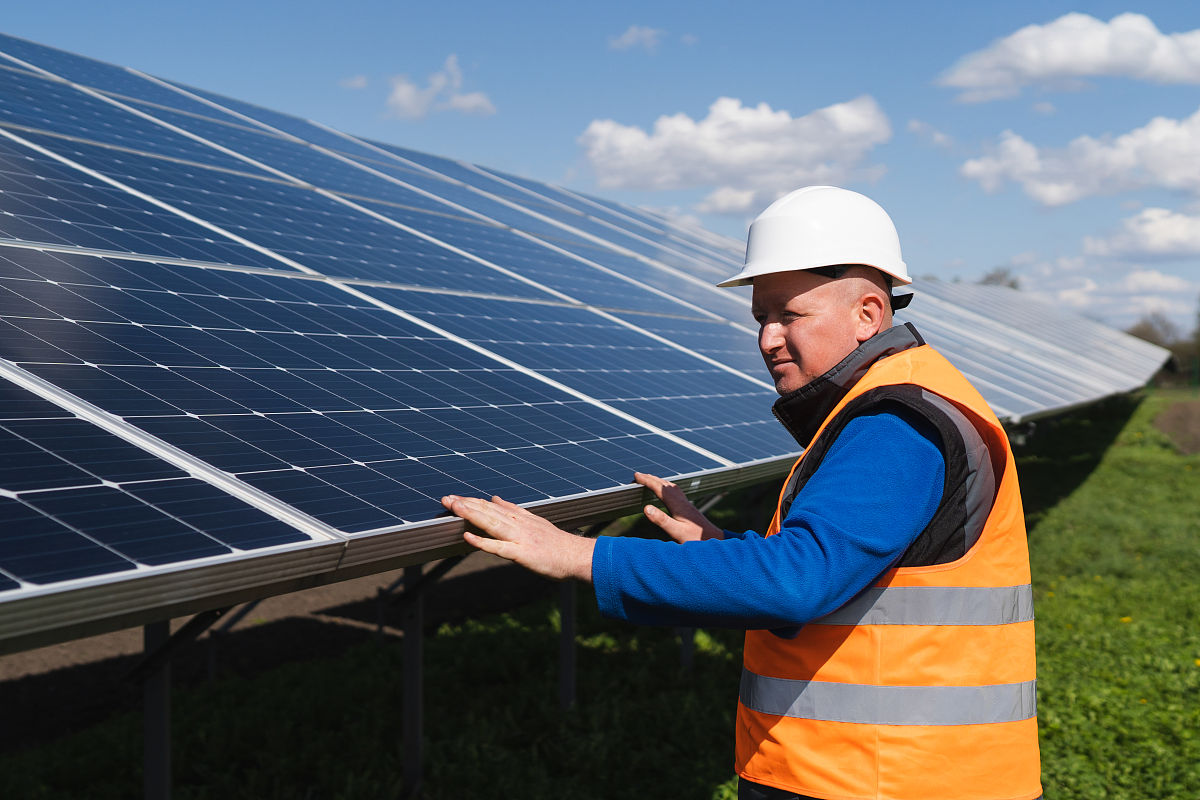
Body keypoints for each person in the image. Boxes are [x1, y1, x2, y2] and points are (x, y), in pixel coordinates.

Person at [441, 186, 1042, 800]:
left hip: (880, 778)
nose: (767, 340)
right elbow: (850, 579)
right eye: (761, 318)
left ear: (868, 313)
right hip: (885, 771)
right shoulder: (897, 401)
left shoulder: (895, 424)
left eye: (790, 314)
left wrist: (580, 556)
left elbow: (797, 582)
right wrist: (718, 548)